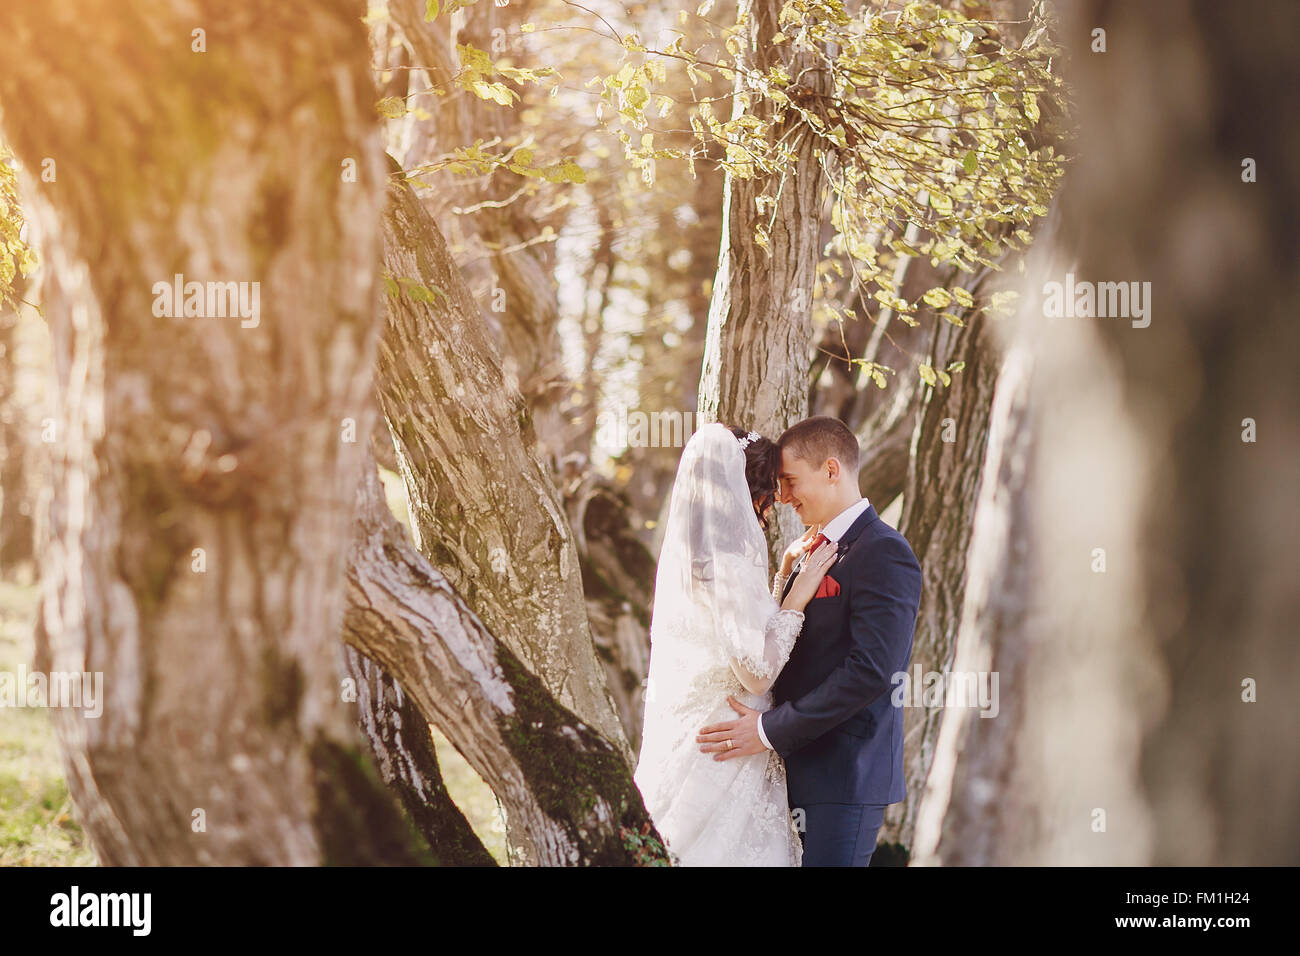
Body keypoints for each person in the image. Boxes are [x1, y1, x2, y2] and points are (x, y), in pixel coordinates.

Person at [695, 415, 923, 866]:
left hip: (842, 778)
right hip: (782, 773)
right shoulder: (806, 554)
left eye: (790, 480)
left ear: (831, 470)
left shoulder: (884, 551)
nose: (782, 496)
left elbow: (871, 671)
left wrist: (768, 730)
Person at [634, 421, 837, 865]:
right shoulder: (729, 563)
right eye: (768, 490)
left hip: (708, 731)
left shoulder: (698, 562)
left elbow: (741, 632)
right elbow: (757, 673)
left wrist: (782, 577)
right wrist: (797, 600)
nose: (774, 502)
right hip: (730, 740)